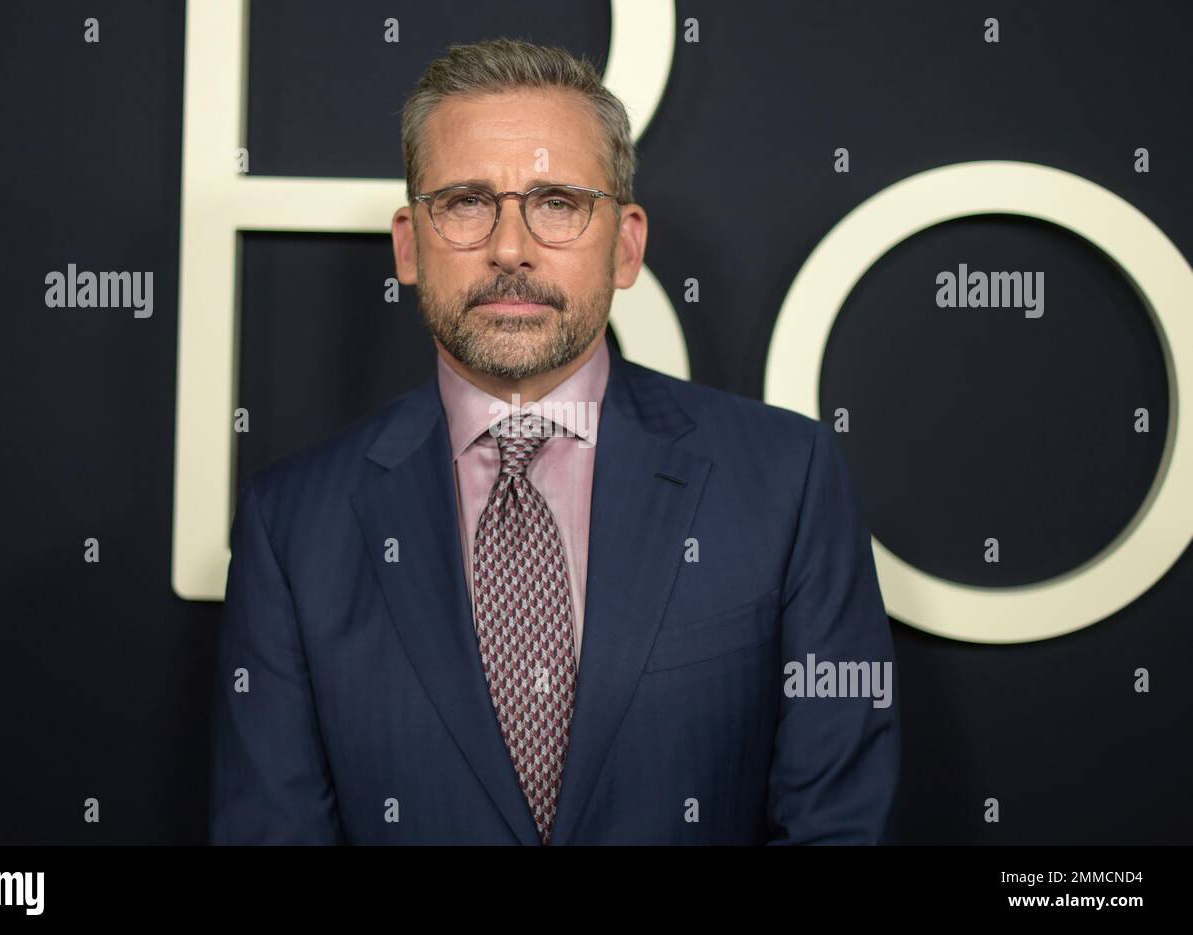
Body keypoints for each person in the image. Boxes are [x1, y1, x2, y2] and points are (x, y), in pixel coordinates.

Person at [210, 36, 899, 845]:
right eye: (466, 201)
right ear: (408, 245)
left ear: (628, 245)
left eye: (558, 202)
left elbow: (839, 829)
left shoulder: (788, 481)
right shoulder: (291, 526)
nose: (510, 248)